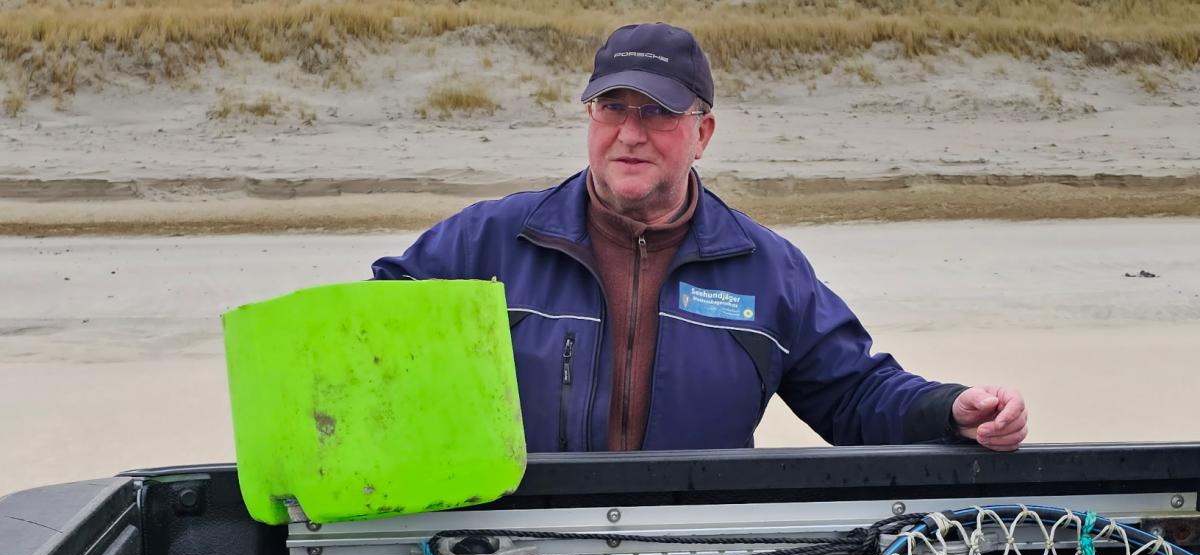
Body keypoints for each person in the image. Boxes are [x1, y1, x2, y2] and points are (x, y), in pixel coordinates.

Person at [373, 23, 1028, 454]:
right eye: (612, 108)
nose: (631, 133)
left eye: (657, 112)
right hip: (510, 552)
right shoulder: (486, 242)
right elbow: (368, 348)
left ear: (702, 133)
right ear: (590, 118)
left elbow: (854, 395)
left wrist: (949, 412)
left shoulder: (767, 271)